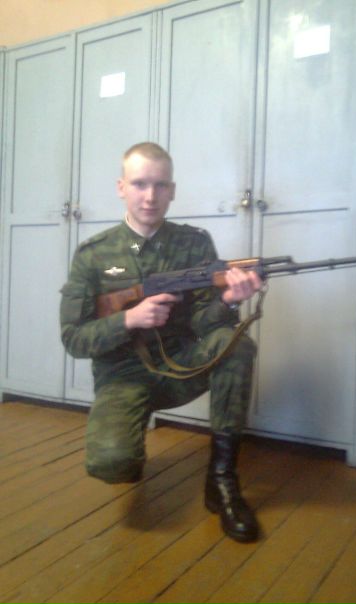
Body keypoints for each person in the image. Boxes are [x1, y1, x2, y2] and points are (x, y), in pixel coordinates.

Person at [60, 142, 263, 542]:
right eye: (140, 184)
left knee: (237, 345)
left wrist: (228, 300)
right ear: (121, 187)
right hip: (123, 376)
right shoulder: (93, 255)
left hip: (182, 364)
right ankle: (128, 445)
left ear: (173, 190)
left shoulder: (194, 244)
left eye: (160, 185)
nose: (150, 196)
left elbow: (206, 323)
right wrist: (128, 320)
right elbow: (73, 338)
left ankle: (221, 481)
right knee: (113, 462)